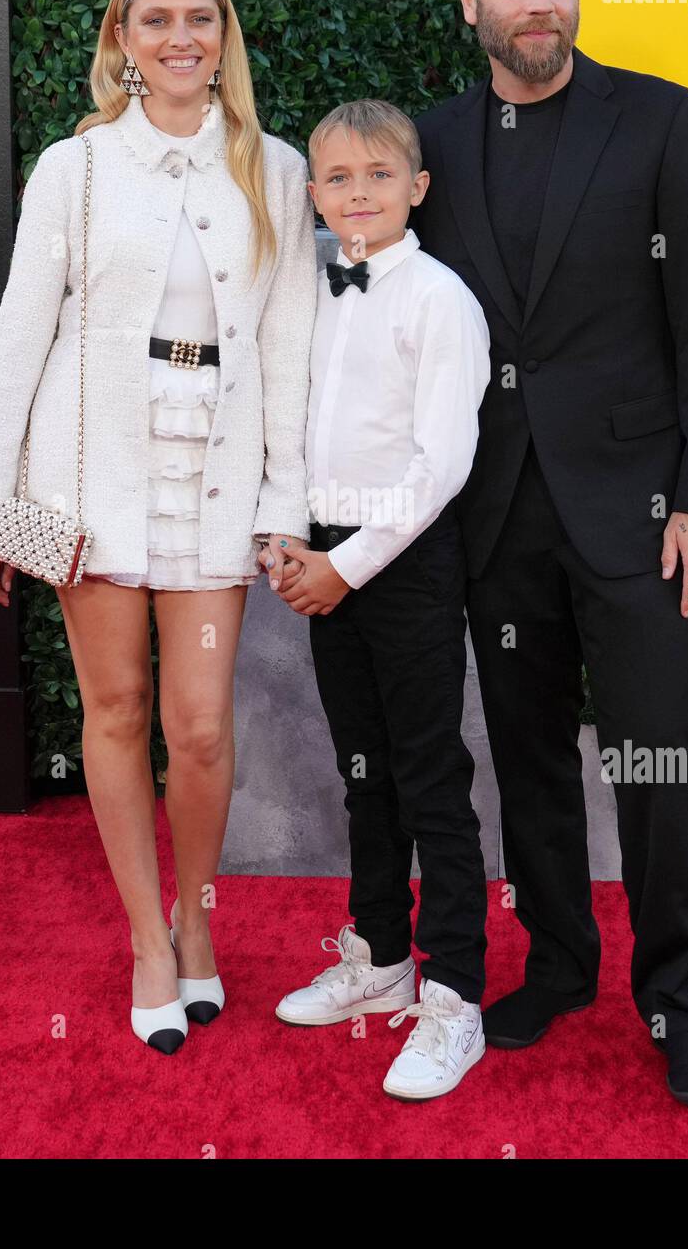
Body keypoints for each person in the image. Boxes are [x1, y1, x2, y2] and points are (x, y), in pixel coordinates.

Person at [408, 0, 688, 1109]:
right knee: (528, 758)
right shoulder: (430, 144)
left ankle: (677, 998)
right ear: (471, 1)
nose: (538, 1)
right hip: (495, 513)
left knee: (658, 765)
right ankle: (557, 963)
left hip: (643, 514)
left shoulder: (659, 120)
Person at [0, 0, 316, 1054]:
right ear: (119, 38)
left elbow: (291, 344)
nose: (177, 38)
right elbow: (19, 336)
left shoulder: (279, 169)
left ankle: (196, 919)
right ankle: (146, 943)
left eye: (198, 19)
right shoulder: (72, 171)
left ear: (223, 37)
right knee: (112, 713)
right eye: (152, 19)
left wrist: (287, 503)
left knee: (199, 726)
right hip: (93, 479)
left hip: (215, 475)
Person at [266, 100, 491, 1101]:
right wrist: (282, 531)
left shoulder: (439, 298)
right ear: (312, 193)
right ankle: (379, 958)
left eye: (377, 175)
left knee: (426, 772)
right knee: (363, 771)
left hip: (397, 561)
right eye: (336, 178)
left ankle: (454, 998)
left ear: (417, 187)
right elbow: (285, 413)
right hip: (318, 555)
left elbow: (441, 462)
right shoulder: (309, 282)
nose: (356, 193)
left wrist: (346, 564)